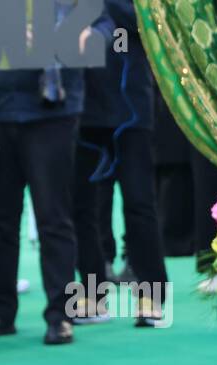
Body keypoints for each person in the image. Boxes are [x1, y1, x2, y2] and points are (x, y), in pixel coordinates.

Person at [0, 0, 84, 346]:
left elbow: (103, 26)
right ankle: (0, 311)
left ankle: (61, 314)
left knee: (54, 218)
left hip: (53, 112)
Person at [72, 0, 168, 327]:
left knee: (139, 202)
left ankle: (150, 295)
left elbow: (148, 22)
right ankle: (91, 291)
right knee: (83, 205)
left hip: (131, 107)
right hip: (81, 104)